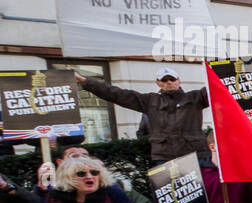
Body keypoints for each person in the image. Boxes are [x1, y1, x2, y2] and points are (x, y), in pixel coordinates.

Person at [74, 66, 208, 165]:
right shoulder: (150, 101)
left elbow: (219, 88)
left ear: (179, 81)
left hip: (196, 155)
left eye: (172, 79)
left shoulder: (196, 97)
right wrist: (85, 81)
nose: (169, 82)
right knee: (172, 200)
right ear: (158, 83)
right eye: (165, 80)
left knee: (206, 194)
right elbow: (117, 94)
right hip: (165, 157)